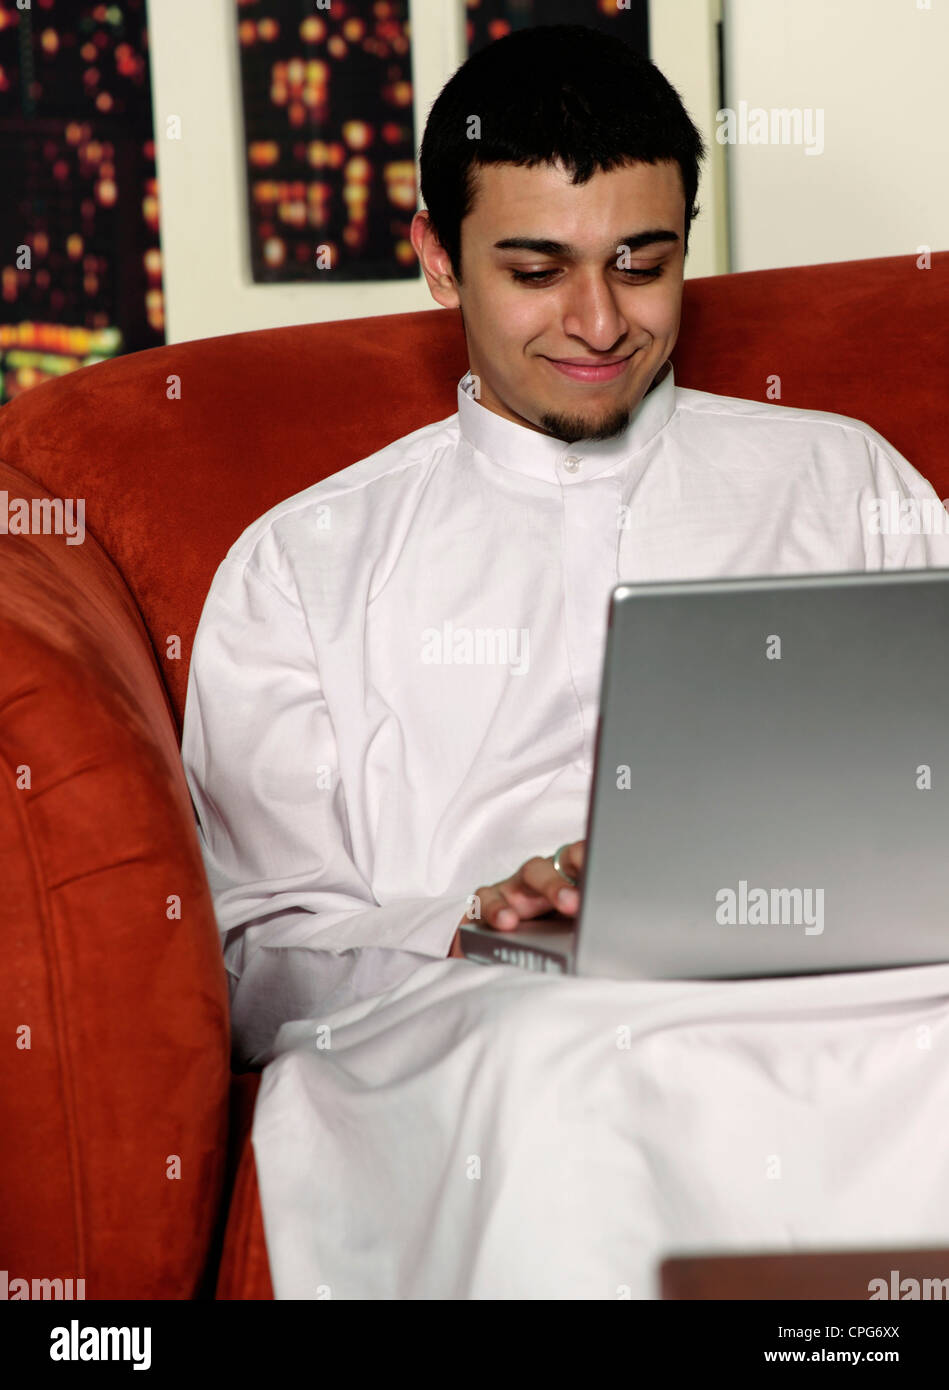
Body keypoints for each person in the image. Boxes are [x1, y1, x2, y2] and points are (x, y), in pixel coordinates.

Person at [180, 25, 949, 1299]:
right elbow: (253, 958)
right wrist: (481, 921)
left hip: (853, 985)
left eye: (640, 266)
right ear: (437, 260)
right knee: (569, 1064)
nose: (598, 322)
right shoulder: (305, 558)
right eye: (536, 270)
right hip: (484, 1013)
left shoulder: (839, 472)